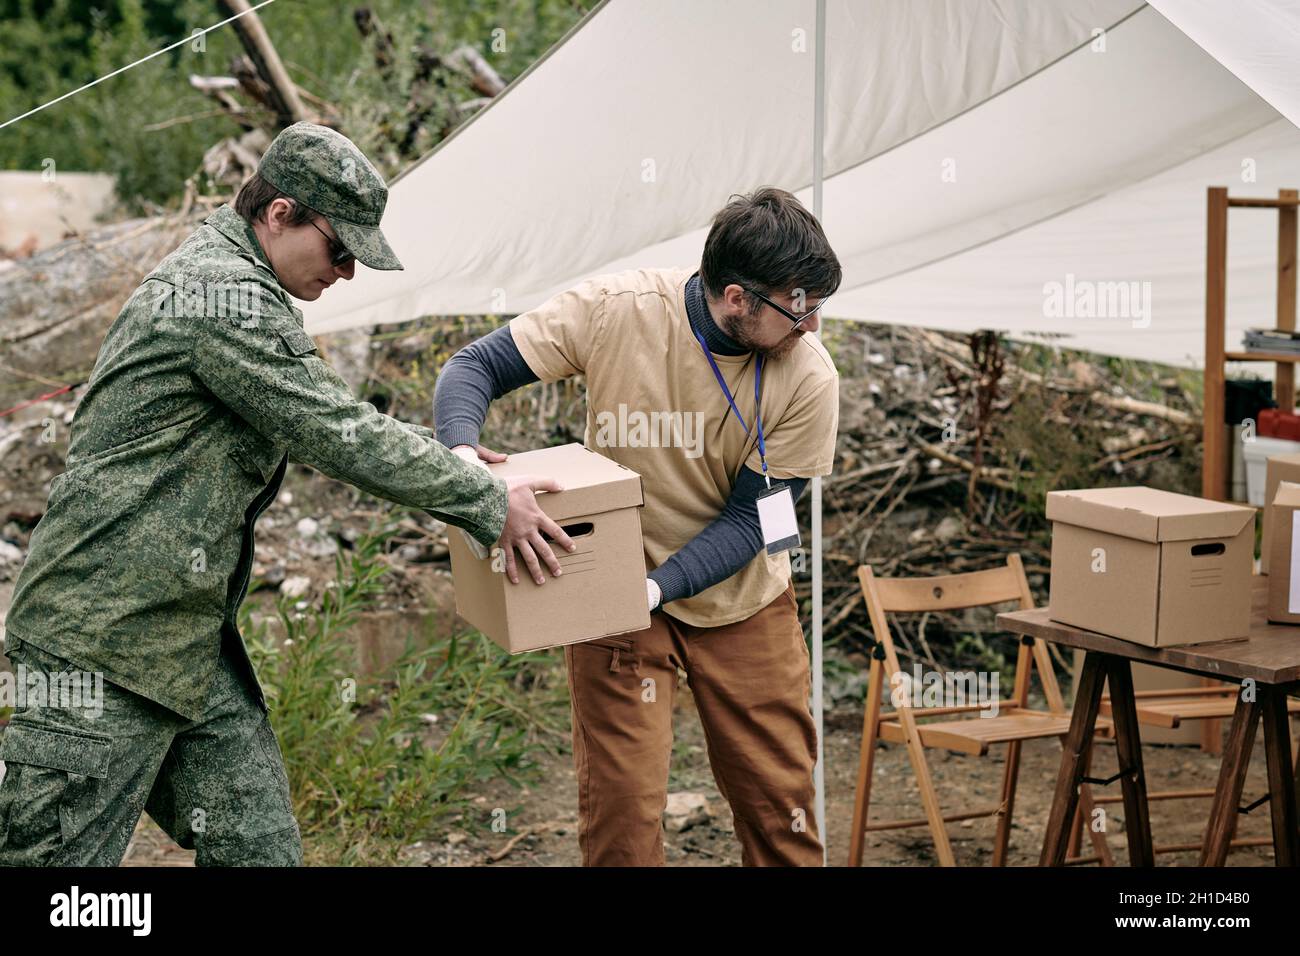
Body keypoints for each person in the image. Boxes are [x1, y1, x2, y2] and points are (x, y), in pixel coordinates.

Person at [0, 122, 570, 866]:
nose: (347, 273)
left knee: (259, 853)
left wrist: (461, 468)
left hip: (184, 645)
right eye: (339, 249)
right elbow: (334, 431)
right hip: (99, 644)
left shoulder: (243, 286)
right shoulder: (219, 294)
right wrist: (487, 501)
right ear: (279, 213)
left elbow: (334, 417)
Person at [434, 186, 840, 865]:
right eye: (798, 310)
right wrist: (467, 464)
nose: (813, 327)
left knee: (780, 807)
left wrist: (653, 590)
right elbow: (473, 367)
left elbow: (756, 520)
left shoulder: (808, 379)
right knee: (621, 816)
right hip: (614, 599)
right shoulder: (615, 312)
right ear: (736, 297)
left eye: (820, 307)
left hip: (743, 600)